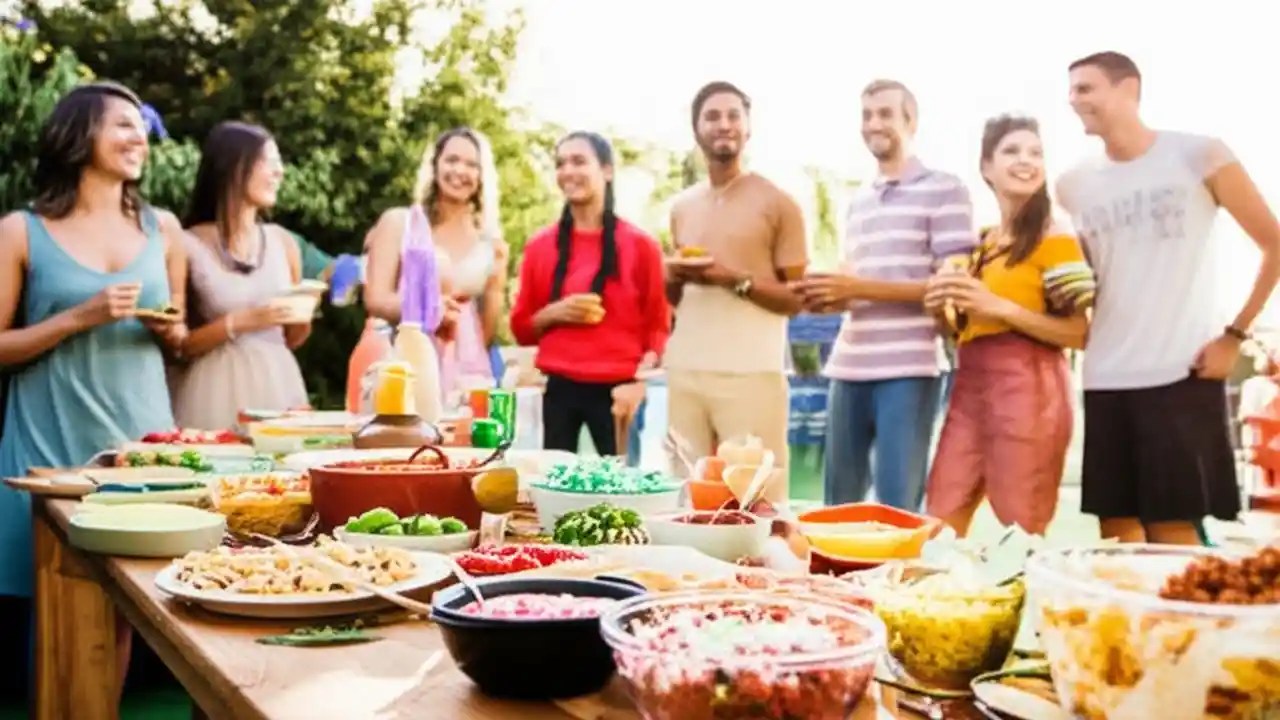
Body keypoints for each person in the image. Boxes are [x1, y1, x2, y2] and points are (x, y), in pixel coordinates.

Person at [0, 81, 187, 702]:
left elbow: (179, 337)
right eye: (123, 125)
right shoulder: (21, 231)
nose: (140, 138)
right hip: (48, 439)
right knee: (55, 603)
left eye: (141, 127)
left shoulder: (164, 229)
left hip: (140, 442)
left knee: (125, 607)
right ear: (80, 135)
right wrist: (81, 317)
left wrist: (169, 329)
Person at [1057, 51, 1280, 544]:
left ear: (1129, 89)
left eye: (1086, 87)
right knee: (1115, 531)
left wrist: (1234, 336)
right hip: (1105, 376)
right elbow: (1089, 279)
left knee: (1171, 526)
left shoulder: (1200, 155)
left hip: (1181, 371)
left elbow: (1274, 245)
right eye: (1070, 90)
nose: (1073, 99)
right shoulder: (1073, 186)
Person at [794, 79, 976, 511]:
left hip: (909, 367)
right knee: (838, 506)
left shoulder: (946, 189)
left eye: (885, 114)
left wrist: (857, 288)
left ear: (911, 121)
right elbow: (858, 283)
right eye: (867, 115)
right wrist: (830, 295)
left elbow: (951, 289)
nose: (874, 124)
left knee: (896, 507)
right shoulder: (859, 200)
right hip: (848, 366)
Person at [923, 115, 1095, 536]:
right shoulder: (981, 244)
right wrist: (938, 307)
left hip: (1030, 391)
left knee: (1020, 526)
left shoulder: (1055, 238)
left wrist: (999, 307)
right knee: (939, 519)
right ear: (986, 167)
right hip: (969, 389)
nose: (1026, 161)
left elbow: (1080, 333)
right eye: (1012, 151)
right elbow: (962, 331)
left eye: (1036, 153)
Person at [664, 81, 808, 474]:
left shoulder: (779, 203)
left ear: (748, 128)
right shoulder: (682, 206)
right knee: (683, 490)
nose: (723, 124)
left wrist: (732, 279)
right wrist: (672, 275)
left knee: (757, 494)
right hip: (685, 370)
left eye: (733, 116)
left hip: (751, 373)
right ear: (697, 130)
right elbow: (675, 300)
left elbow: (797, 299)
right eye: (712, 117)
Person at [510, 131, 669, 455]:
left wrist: (640, 382)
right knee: (552, 480)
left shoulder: (641, 246)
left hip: (619, 391)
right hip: (558, 388)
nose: (568, 171)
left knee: (622, 483)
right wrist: (554, 313)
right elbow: (522, 330)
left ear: (607, 170)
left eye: (579, 161)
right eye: (561, 164)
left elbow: (658, 327)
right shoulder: (540, 247)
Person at [168, 121, 311, 429]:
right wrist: (242, 321)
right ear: (233, 168)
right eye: (268, 162)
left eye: (279, 163)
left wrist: (302, 315)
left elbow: (293, 338)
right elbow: (179, 346)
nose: (279, 172)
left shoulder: (283, 242)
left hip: (278, 382)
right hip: (213, 387)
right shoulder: (185, 243)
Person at [363, 127, 503, 407]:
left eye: (471, 164)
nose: (460, 170)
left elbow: (488, 325)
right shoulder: (400, 223)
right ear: (435, 165)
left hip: (465, 367)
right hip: (404, 356)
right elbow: (376, 299)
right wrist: (430, 312)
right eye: (451, 160)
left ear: (482, 175)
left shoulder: (491, 243)